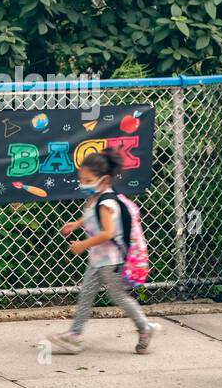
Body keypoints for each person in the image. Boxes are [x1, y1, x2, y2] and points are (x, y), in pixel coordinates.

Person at [49, 150, 160, 355]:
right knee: (86, 294)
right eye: (81, 179)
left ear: (105, 179)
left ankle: (145, 327)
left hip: (111, 261)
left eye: (88, 180)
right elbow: (93, 217)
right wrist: (77, 224)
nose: (83, 183)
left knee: (119, 296)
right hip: (98, 259)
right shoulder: (96, 198)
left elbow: (108, 233)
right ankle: (75, 335)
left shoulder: (107, 203)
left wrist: (82, 244)